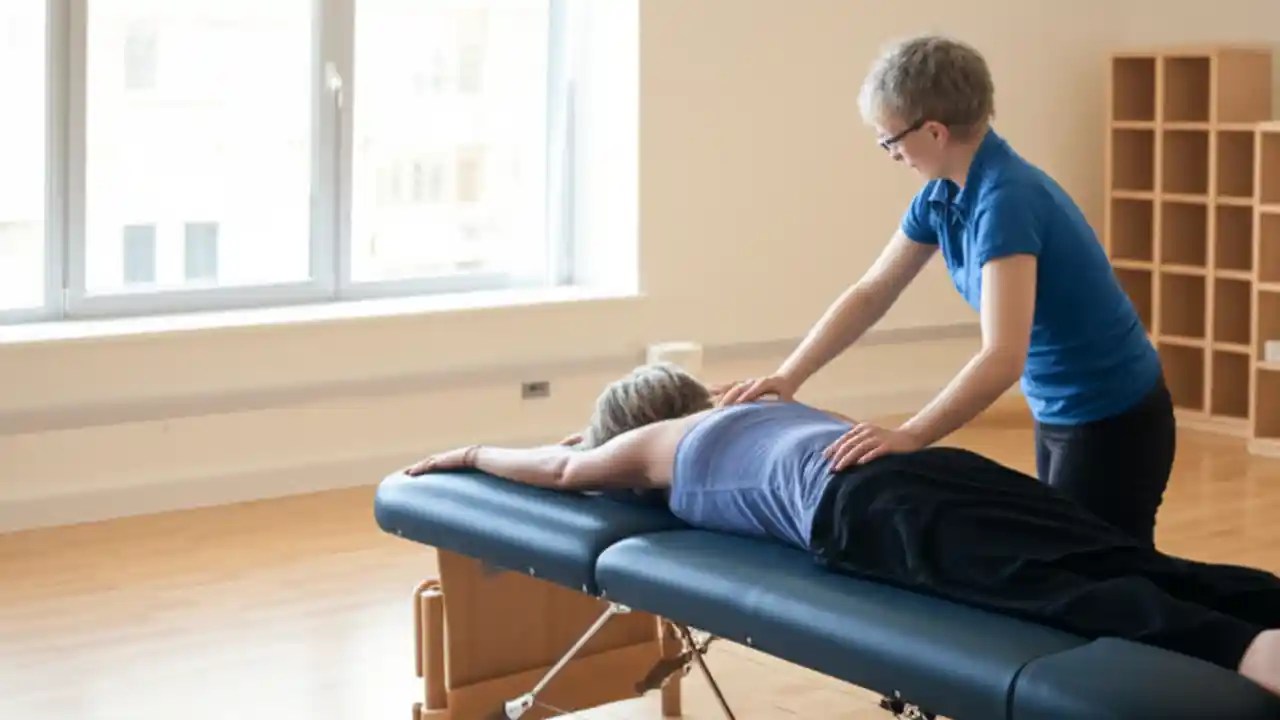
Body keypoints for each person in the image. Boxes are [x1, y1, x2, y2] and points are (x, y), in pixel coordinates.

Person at [406, 363, 1280, 698]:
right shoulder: (755, 406)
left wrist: (478, 450)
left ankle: (1249, 654)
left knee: (1053, 592)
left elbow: (564, 470)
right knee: (1119, 554)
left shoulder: (655, 448)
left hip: (870, 513)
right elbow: (590, 451)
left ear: (629, 435)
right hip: (926, 465)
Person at [712, 34, 1175, 548]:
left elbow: (1002, 356)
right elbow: (871, 293)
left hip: (1114, 418)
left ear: (933, 131)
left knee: (1107, 574)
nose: (890, 155)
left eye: (890, 140)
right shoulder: (942, 197)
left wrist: (910, 435)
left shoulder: (1006, 201)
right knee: (1087, 567)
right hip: (1061, 410)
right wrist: (787, 375)